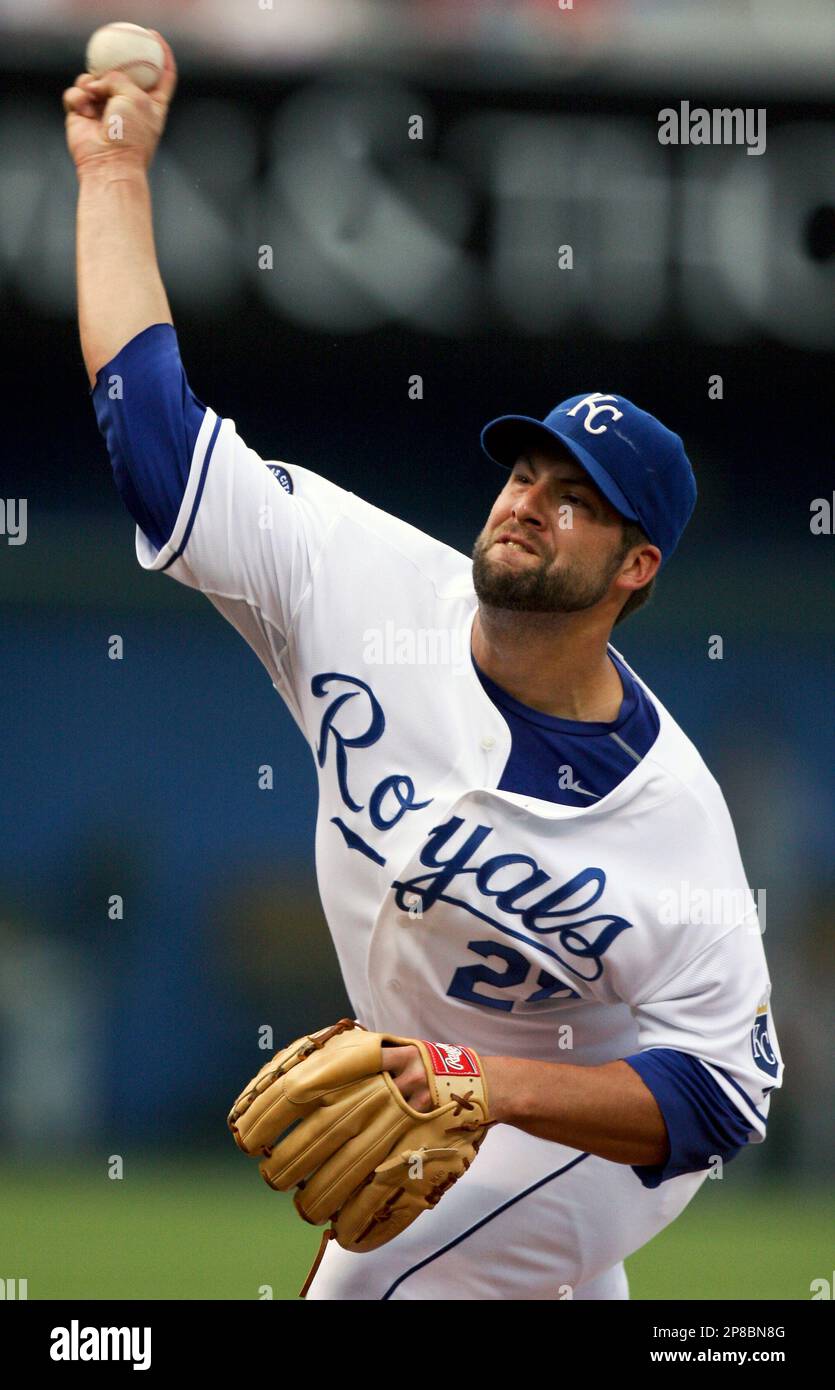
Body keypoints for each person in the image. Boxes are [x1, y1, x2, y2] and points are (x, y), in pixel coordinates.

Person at [63, 39, 783, 1301]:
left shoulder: (671, 819)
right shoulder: (356, 580)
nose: (529, 503)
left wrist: (480, 1085)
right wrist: (116, 169)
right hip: (439, 1091)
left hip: (598, 1142)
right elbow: (154, 439)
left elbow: (720, 1094)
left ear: (637, 566)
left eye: (578, 501)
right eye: (526, 473)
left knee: (369, 1282)